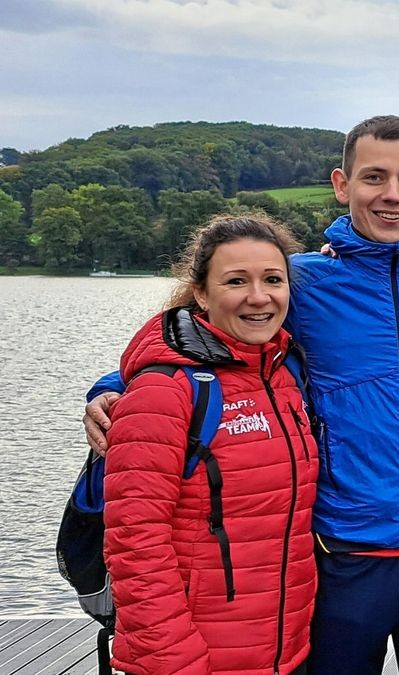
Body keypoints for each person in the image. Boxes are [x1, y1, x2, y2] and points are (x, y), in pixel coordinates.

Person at [84, 115, 399, 674]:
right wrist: (114, 386)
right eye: (374, 177)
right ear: (342, 184)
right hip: (341, 559)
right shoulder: (299, 281)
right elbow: (197, 332)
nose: (392, 195)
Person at [102, 215, 317, 675]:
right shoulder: (165, 391)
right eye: (236, 281)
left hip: (285, 653)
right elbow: (134, 541)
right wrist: (173, 661)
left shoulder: (285, 376)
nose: (258, 297)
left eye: (272, 280)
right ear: (201, 292)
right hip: (194, 658)